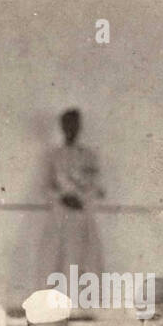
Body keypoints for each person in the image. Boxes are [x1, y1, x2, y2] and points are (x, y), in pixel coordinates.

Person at [36, 107, 104, 291]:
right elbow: (45, 187)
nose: (71, 129)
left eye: (75, 125)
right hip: (59, 215)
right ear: (62, 127)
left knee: (82, 259)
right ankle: (54, 305)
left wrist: (81, 198)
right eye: (67, 125)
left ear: (80, 127)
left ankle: (79, 306)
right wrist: (62, 198)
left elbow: (97, 187)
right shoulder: (53, 156)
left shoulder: (89, 156)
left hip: (81, 216)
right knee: (55, 258)